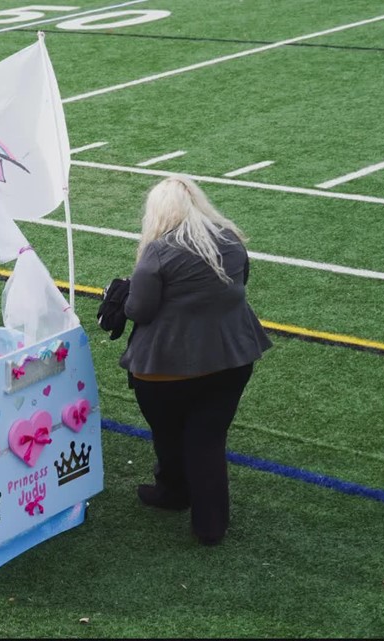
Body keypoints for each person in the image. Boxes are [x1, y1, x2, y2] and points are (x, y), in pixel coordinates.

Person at [119, 175, 271, 546]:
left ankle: (173, 491)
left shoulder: (157, 252)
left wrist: (120, 295)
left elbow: (139, 309)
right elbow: (242, 282)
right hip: (232, 358)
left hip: (166, 368)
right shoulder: (231, 240)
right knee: (208, 439)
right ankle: (210, 524)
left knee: (169, 434)